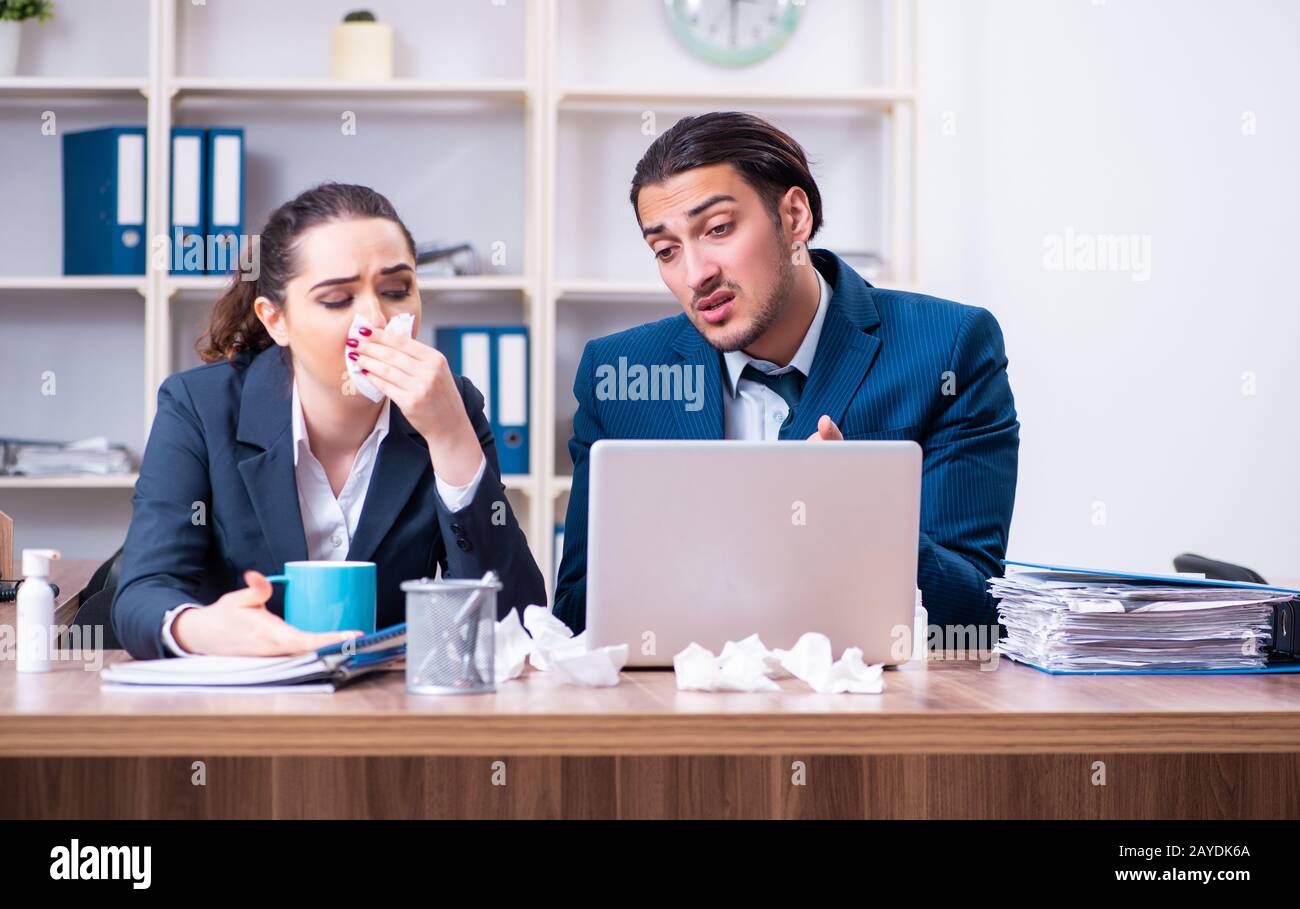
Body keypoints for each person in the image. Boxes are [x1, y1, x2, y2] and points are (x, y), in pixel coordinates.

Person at [554, 112, 1019, 635]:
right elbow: (572, 617)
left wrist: (860, 518)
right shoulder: (620, 375)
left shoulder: (948, 349)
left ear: (794, 217)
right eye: (666, 250)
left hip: (864, 709)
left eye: (719, 229)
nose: (694, 274)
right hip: (681, 706)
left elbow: (977, 619)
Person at [112, 183, 545, 659]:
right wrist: (201, 628)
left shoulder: (450, 406)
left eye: (397, 290)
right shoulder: (200, 406)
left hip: (382, 707)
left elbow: (518, 622)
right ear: (275, 319)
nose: (375, 320)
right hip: (241, 703)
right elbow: (141, 594)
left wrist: (452, 441)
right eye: (338, 299)